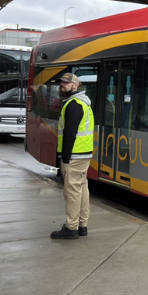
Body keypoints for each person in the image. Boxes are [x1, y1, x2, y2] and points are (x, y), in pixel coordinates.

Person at [51, 73, 95, 240]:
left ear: (75, 86)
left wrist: (65, 157)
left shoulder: (74, 104)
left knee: (72, 192)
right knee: (82, 189)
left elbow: (70, 133)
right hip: (83, 154)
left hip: (75, 156)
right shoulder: (83, 103)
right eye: (61, 82)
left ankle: (71, 227)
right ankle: (82, 225)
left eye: (66, 83)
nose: (62, 85)